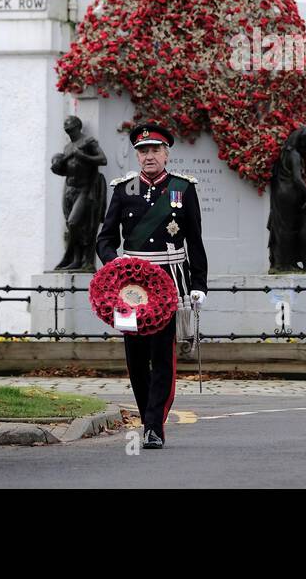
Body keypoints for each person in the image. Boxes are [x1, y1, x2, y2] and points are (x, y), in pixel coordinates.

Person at [96, 121, 208, 449]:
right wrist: (114, 265)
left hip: (167, 284)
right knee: (135, 357)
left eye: (155, 150)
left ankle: (154, 424)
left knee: (162, 355)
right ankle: (148, 416)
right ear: (136, 155)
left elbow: (196, 241)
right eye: (143, 151)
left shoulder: (183, 189)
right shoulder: (122, 189)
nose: (148, 156)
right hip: (130, 287)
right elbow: (105, 239)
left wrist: (199, 283)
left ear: (166, 154)